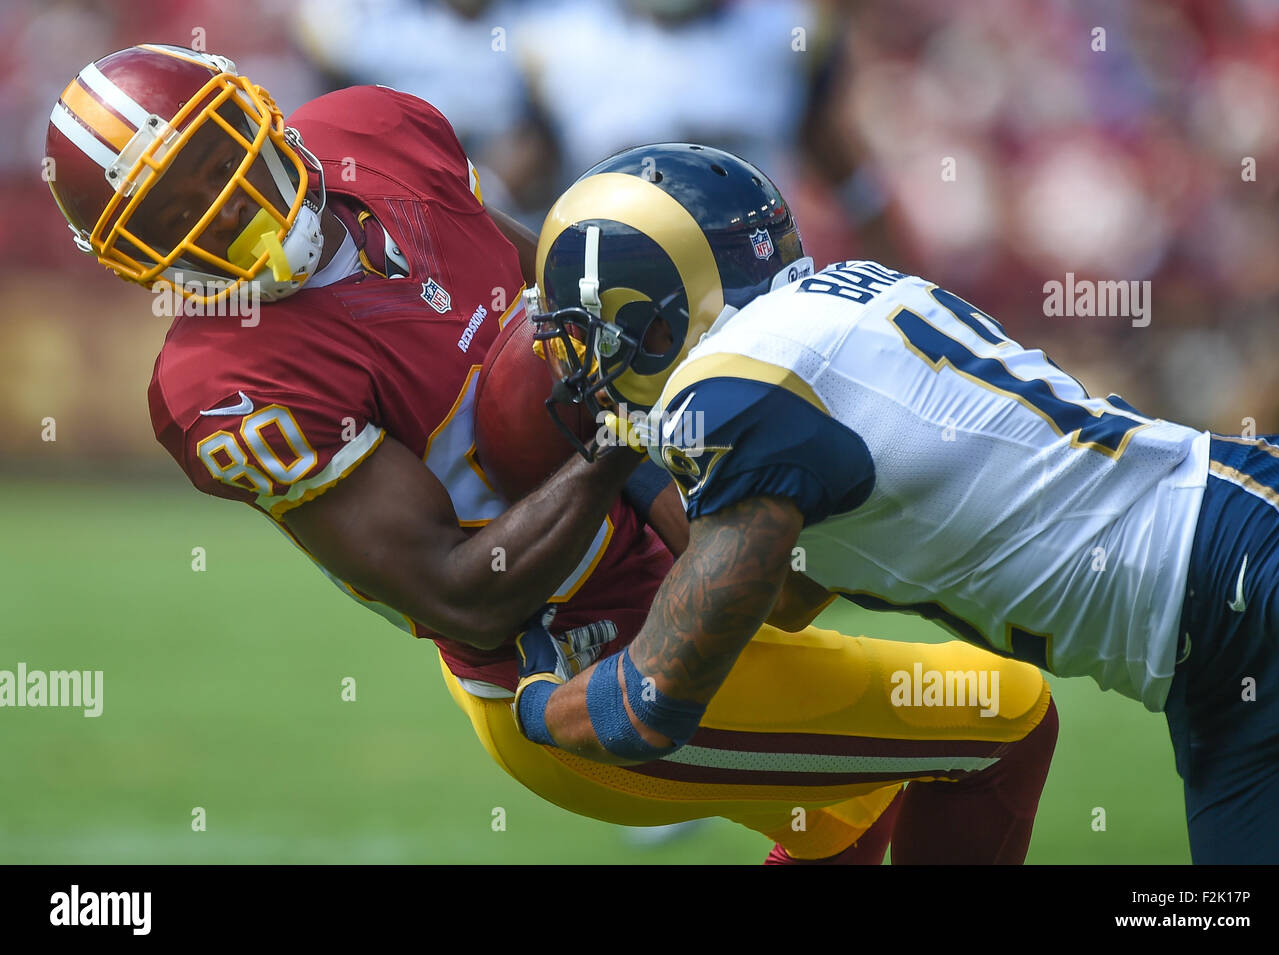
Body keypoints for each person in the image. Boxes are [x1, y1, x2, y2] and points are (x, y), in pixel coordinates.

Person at [46, 49, 1056, 863]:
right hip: (575, 661)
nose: (225, 212)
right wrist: (618, 420)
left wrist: (635, 362)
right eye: (175, 221)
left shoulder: (374, 127)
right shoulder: (227, 385)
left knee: (849, 805)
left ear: (258, 113)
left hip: (661, 545)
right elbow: (461, 592)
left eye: (219, 166)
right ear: (140, 263)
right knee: (1005, 719)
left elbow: (555, 276)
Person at [516, 142, 1279, 865]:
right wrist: (638, 466)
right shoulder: (811, 330)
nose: (580, 364)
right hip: (1211, 653)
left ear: (651, 317)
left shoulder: (732, 385)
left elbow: (653, 702)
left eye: (586, 333)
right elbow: (786, 592)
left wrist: (538, 705)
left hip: (1255, 566)